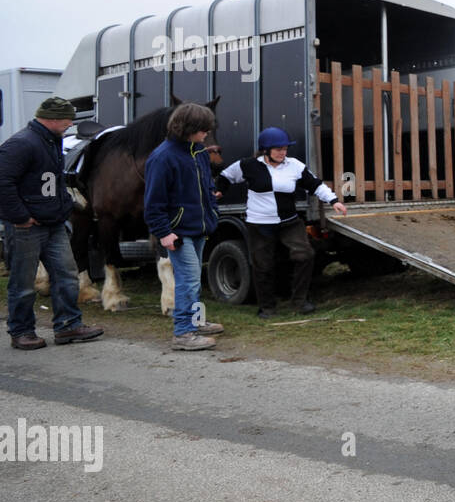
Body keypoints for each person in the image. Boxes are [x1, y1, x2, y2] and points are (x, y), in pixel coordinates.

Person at [0, 97, 104, 349]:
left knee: (66, 275)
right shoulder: (21, 144)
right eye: (67, 120)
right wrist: (21, 217)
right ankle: (21, 331)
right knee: (23, 283)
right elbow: (3, 182)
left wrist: (66, 207)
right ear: (53, 118)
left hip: (54, 223)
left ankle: (68, 326)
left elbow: (54, 182)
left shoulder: (51, 141)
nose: (70, 125)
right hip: (27, 226)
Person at [216, 127, 346, 318]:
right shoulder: (248, 165)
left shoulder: (294, 165)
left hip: (289, 222)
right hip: (259, 224)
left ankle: (300, 300)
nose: (283, 153)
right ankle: (267, 307)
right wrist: (220, 190)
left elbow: (315, 184)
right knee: (263, 265)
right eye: (278, 149)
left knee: (305, 255)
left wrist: (334, 201)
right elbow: (226, 176)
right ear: (265, 150)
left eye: (285, 149)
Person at [143, 102, 223, 351]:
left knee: (194, 279)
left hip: (198, 228)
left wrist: (212, 206)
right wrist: (164, 232)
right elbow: (153, 202)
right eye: (202, 129)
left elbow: (207, 184)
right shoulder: (162, 157)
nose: (206, 134)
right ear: (187, 128)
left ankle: (196, 321)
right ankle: (183, 333)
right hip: (178, 232)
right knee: (188, 280)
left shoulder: (198, 151)